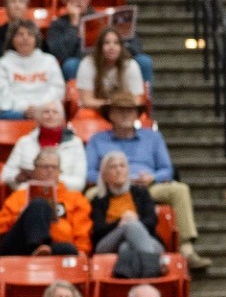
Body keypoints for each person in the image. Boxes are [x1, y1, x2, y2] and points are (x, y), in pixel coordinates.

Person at [88, 93, 210, 270]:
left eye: (131, 111)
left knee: (180, 189)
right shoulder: (97, 139)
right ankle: (85, 248)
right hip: (110, 186)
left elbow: (167, 169)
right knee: (90, 194)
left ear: (138, 114)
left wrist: (153, 178)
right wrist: (115, 178)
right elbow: (89, 173)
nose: (126, 115)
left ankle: (186, 249)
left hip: (147, 186)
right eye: (120, 110)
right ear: (110, 115)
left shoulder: (153, 137)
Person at [0, 149, 91, 258]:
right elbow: (0, 228)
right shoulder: (19, 196)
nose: (50, 170)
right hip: (21, 247)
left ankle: (42, 251)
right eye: (45, 166)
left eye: (54, 167)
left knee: (70, 249)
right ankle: (38, 247)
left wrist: (82, 251)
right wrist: (20, 217)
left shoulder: (75, 198)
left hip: (54, 246)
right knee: (39, 203)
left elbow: (82, 230)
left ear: (60, 171)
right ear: (35, 170)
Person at [88, 151, 166, 279]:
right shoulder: (98, 200)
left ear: (128, 170)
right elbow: (98, 230)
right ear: (105, 174)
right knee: (131, 226)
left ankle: (134, 281)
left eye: (122, 166)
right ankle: (156, 265)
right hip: (107, 244)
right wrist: (120, 223)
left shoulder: (141, 193)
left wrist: (136, 221)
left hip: (142, 240)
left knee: (126, 248)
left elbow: (152, 221)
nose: (118, 170)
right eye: (113, 167)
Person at [0, 100, 89, 193]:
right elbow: (5, 175)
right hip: (27, 194)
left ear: (62, 118)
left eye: (55, 112)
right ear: (38, 117)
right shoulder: (24, 142)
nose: (50, 115)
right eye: (46, 112)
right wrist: (17, 177)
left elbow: (80, 183)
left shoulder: (75, 143)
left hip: (64, 196)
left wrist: (42, 177)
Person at [0, 19, 67, 119]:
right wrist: (25, 109)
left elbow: (57, 90)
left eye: (30, 34)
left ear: (36, 39)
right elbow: (2, 95)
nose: (25, 38)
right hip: (15, 113)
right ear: (12, 39)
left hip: (46, 110)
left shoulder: (49, 61)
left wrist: (39, 108)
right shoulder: (3, 63)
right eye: (19, 34)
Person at [77, 27, 148, 115]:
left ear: (121, 47)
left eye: (116, 43)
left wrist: (119, 107)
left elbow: (137, 100)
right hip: (96, 111)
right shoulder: (87, 64)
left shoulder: (131, 65)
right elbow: (86, 101)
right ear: (99, 47)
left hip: (124, 111)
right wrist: (112, 105)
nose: (112, 47)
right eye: (107, 43)